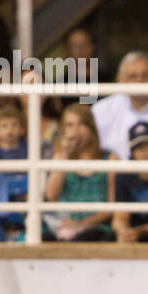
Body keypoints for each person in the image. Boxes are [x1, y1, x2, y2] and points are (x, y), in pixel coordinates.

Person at [44, 102, 117, 242]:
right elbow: (51, 195)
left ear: (91, 128)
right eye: (69, 125)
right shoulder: (60, 157)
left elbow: (112, 206)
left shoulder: (109, 158)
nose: (75, 131)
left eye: (81, 124)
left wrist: (83, 224)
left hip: (98, 228)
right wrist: (63, 155)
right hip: (64, 227)